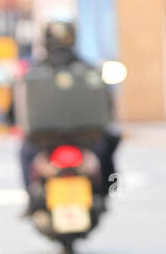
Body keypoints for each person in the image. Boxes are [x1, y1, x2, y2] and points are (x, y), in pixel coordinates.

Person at [16, 15, 121, 197]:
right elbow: (107, 105)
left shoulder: (33, 71)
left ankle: (31, 196)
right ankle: (109, 189)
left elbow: (16, 109)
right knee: (110, 143)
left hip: (45, 140)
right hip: (86, 138)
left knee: (25, 152)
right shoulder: (89, 69)